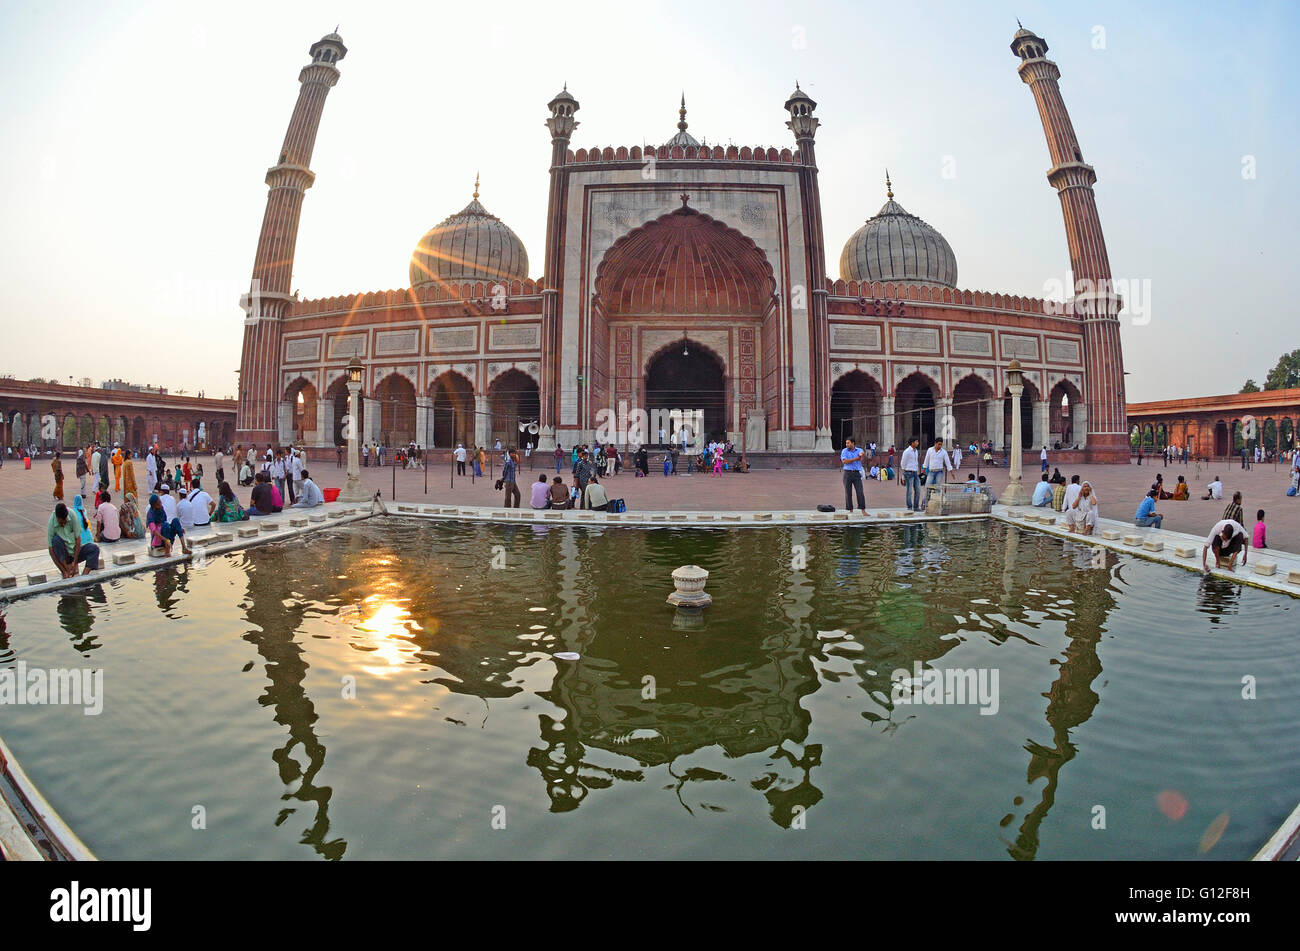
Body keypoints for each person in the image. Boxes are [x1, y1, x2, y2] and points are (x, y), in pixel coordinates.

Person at [48, 501, 100, 577]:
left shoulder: (72, 515)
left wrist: (74, 562)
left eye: (65, 522)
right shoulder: (52, 522)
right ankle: (66, 570)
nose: (63, 524)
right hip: (64, 555)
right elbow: (51, 550)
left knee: (94, 549)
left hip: (75, 551)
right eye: (61, 523)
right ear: (57, 518)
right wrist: (64, 571)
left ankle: (84, 576)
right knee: (56, 540)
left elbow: (78, 539)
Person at [840, 437, 867, 516]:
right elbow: (844, 461)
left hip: (856, 473)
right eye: (846, 443)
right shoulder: (844, 451)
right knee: (848, 492)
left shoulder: (859, 450)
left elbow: (862, 455)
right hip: (847, 473)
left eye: (848, 443)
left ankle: (863, 509)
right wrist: (856, 459)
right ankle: (850, 510)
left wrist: (861, 456)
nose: (847, 444)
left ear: (853, 443)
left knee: (860, 492)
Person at [901, 437, 922, 513]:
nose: (917, 443)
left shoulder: (916, 451)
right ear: (912, 443)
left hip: (915, 472)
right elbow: (903, 462)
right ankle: (910, 506)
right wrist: (905, 470)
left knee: (918, 489)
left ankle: (916, 506)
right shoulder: (907, 451)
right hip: (909, 472)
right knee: (909, 490)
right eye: (916, 441)